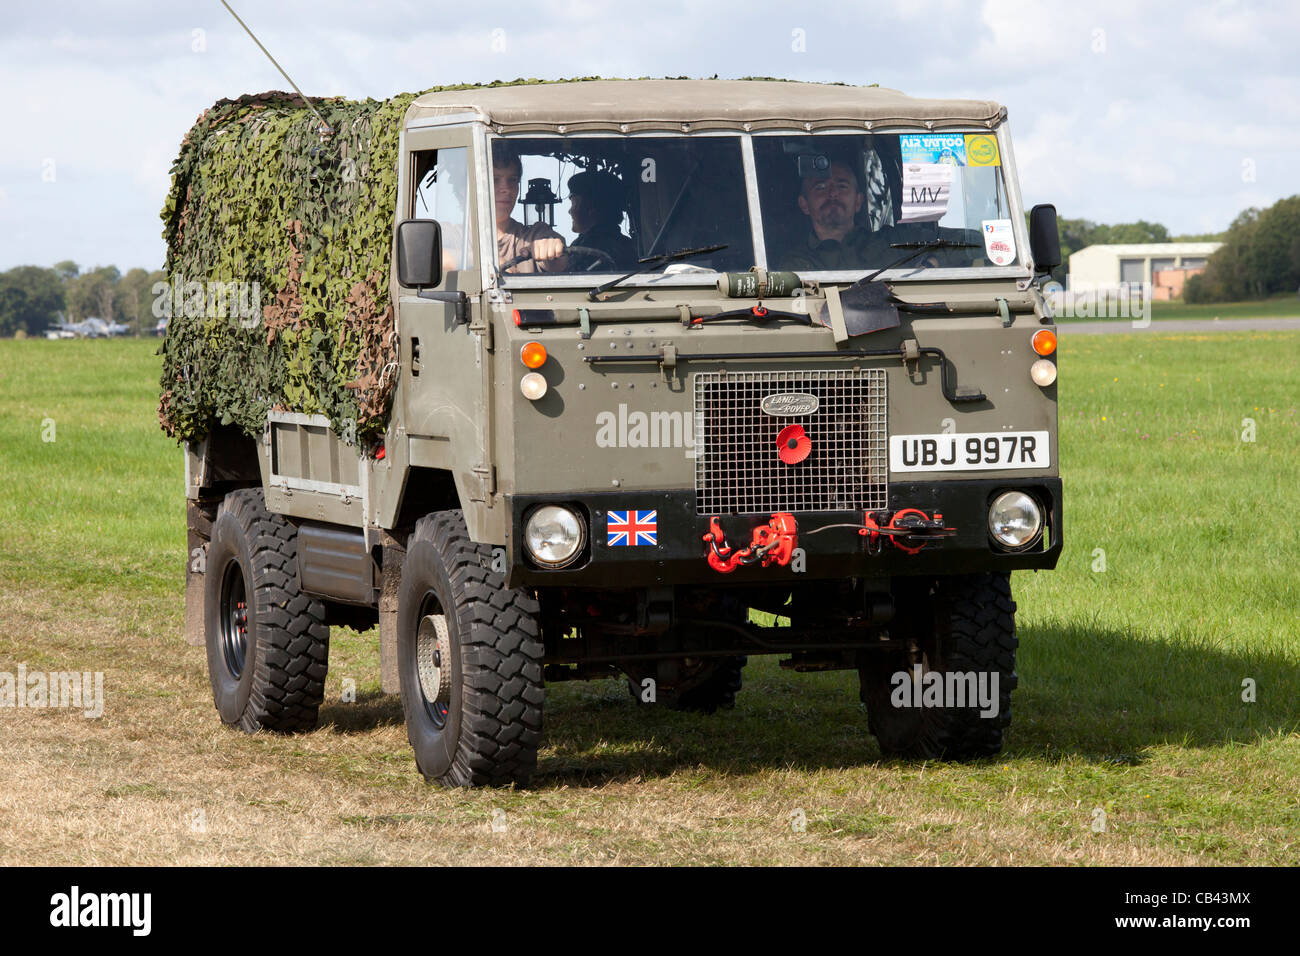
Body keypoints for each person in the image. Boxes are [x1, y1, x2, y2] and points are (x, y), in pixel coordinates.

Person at [785, 157, 889, 273]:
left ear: (858, 201)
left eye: (842, 186)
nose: (833, 193)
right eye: (821, 187)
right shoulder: (794, 266)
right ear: (804, 204)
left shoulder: (891, 247)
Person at [493, 146, 568, 274]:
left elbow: (558, 263)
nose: (506, 188)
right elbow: (447, 257)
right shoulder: (454, 237)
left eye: (512, 180)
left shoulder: (533, 235)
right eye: (495, 180)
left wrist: (551, 248)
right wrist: (489, 262)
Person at [566, 171, 637, 271]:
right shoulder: (628, 245)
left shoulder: (588, 248)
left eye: (574, 204)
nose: (570, 211)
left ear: (591, 208)